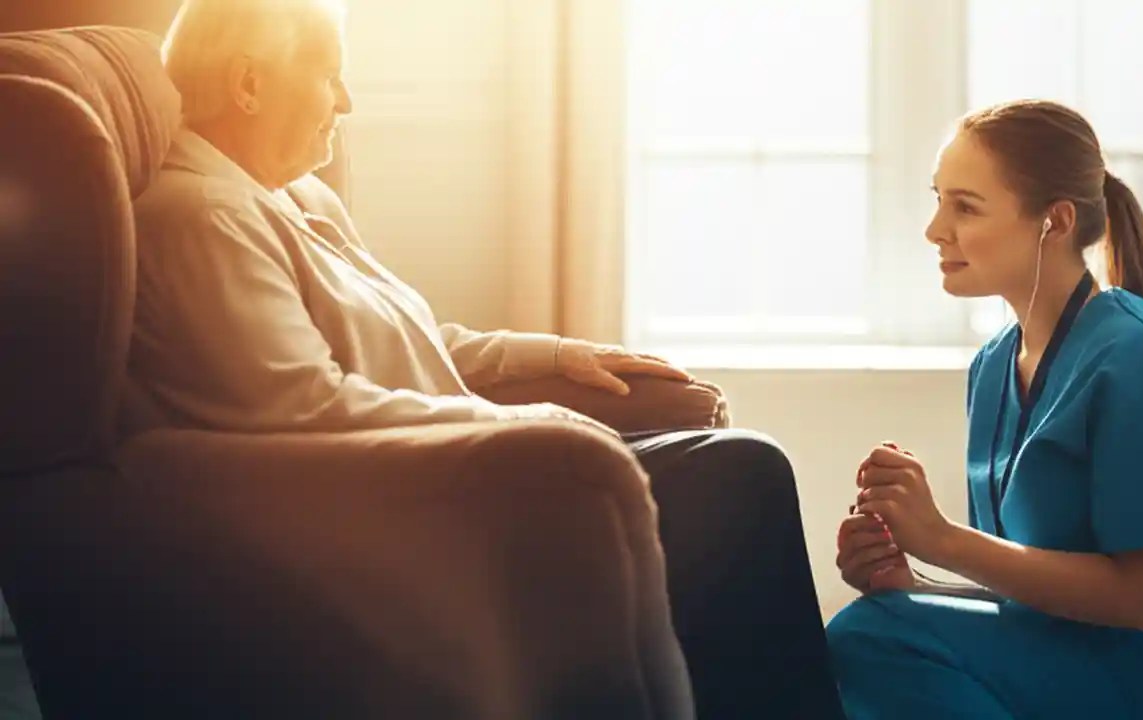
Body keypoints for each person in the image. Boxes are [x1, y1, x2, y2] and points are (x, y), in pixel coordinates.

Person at [124, 1, 842, 717]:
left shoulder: (288, 195)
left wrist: (561, 354)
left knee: (733, 462)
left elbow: (411, 338)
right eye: (329, 76)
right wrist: (527, 423)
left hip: (468, 459)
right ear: (249, 84)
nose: (345, 102)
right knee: (743, 473)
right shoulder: (202, 218)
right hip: (424, 500)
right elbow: (304, 408)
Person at [826, 99, 1143, 719]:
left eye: (965, 206)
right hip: (1104, 662)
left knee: (872, 637)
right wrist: (912, 583)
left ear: (1055, 222)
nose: (935, 229)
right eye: (938, 199)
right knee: (880, 623)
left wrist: (941, 539)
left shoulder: (1142, 353)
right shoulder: (993, 368)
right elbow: (1038, 605)